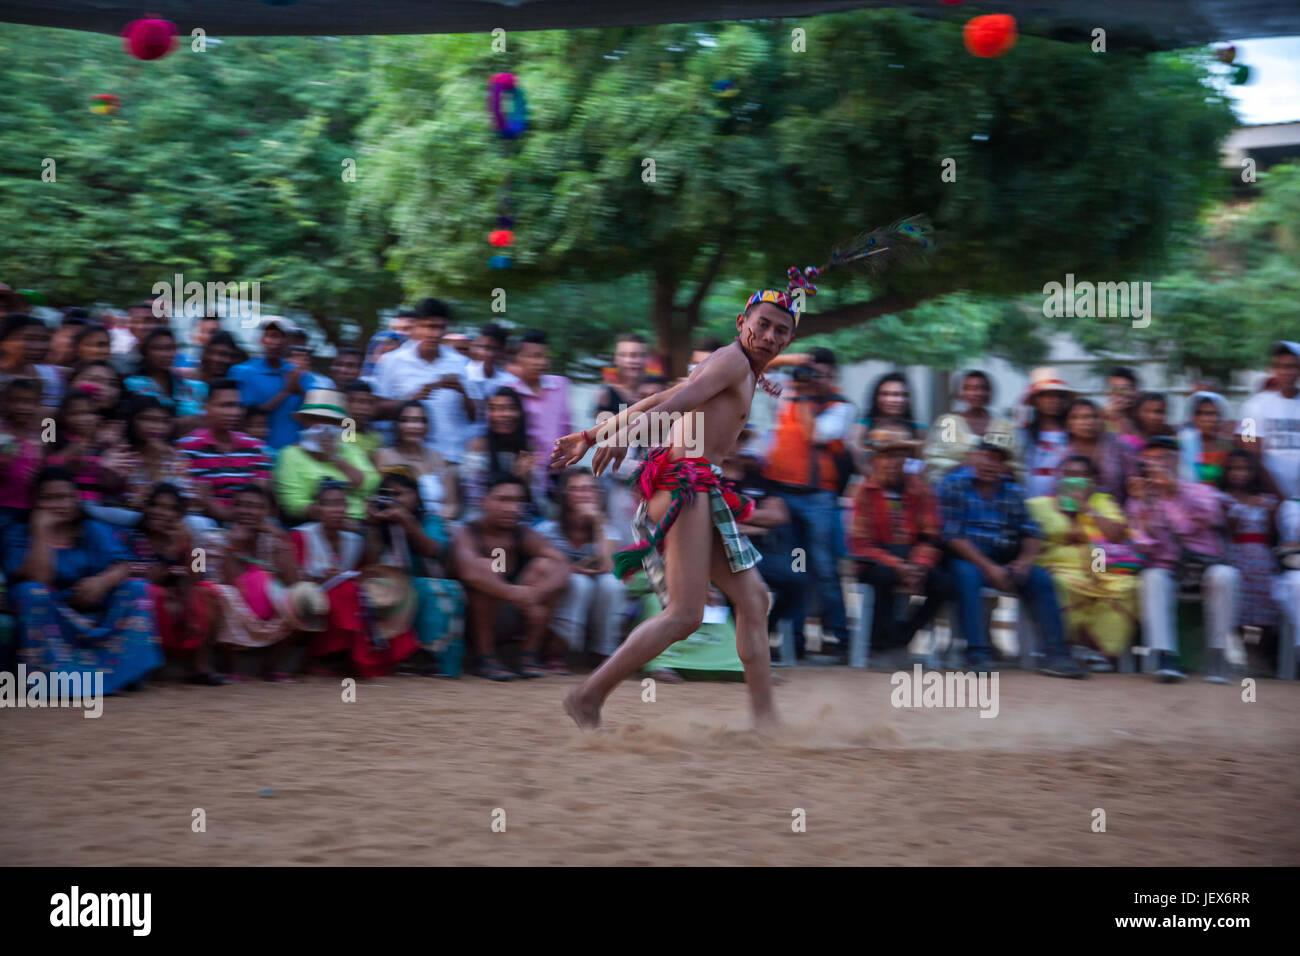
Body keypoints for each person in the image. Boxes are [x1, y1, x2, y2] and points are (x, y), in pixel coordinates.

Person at [551, 277, 810, 728]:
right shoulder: (732, 361)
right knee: (685, 615)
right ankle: (589, 695)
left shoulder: (741, 368)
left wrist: (597, 434)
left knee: (754, 601)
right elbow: (681, 401)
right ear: (741, 323)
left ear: (790, 339)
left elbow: (662, 397)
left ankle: (766, 721)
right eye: (762, 325)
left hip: (694, 486)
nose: (769, 336)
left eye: (780, 331)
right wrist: (618, 435)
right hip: (683, 487)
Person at [2, 466, 161, 695]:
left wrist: (102, 582)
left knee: (138, 588)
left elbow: (124, 564)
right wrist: (41, 530)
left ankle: (116, 676)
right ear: (35, 502)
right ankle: (54, 682)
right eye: (48, 498)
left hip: (93, 605)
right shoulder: (18, 533)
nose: (58, 505)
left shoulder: (91, 529)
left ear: (75, 500)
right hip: (50, 613)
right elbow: (39, 579)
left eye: (64, 497)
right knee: (31, 592)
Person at [937, 433, 1085, 677]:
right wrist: (990, 568)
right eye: (984, 456)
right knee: (966, 574)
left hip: (1010, 557)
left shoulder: (1014, 492)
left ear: (1005, 465)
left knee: (1040, 578)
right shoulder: (954, 485)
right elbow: (952, 536)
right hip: (969, 558)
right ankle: (977, 653)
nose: (989, 463)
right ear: (973, 457)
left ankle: (1057, 655)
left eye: (997, 459)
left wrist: (1024, 562)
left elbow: (1031, 531)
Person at [761, 345, 854, 661]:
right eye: (811, 370)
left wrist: (800, 395)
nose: (814, 378)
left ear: (833, 376)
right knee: (795, 568)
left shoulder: (840, 406)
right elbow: (755, 366)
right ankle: (795, 641)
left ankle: (839, 640)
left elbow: (815, 435)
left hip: (818, 500)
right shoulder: (788, 389)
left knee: (825, 570)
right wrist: (790, 361)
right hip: (783, 496)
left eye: (821, 373)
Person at [1125, 436, 1238, 683]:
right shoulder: (1139, 497)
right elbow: (1143, 544)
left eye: (1164, 458)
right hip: (1167, 567)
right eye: (1152, 459)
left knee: (1226, 576)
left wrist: (1175, 490)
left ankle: (1218, 656)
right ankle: (1165, 657)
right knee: (1153, 577)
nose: (1158, 464)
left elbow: (1211, 517)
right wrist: (1144, 504)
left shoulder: (1200, 489)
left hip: (1205, 565)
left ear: (1176, 460)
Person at [291, 479, 418, 678]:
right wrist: (320, 580)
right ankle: (332, 656)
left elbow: (368, 573)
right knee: (347, 592)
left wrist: (372, 526)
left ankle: (366, 656)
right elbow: (294, 580)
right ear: (317, 508)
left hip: (349, 599)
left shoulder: (354, 540)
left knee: (376, 590)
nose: (336, 510)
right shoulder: (301, 536)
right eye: (329, 504)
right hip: (312, 600)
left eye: (341, 503)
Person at [450, 474, 570, 680]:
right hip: (470, 621)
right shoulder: (467, 532)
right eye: (503, 500)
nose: (511, 508)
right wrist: (513, 593)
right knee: (486, 570)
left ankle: (528, 656)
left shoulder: (523, 534)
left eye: (517, 501)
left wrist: (535, 594)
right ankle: (485, 658)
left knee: (545, 567)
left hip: (515, 612)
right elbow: (469, 572)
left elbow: (563, 564)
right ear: (484, 502)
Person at [849, 427, 951, 669]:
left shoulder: (921, 489)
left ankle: (901, 636)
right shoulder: (864, 491)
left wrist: (917, 566)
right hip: (876, 560)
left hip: (913, 556)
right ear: (875, 460)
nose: (892, 462)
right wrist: (899, 566)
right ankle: (880, 645)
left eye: (898, 455)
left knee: (945, 584)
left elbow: (931, 535)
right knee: (883, 576)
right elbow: (860, 544)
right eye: (886, 455)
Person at [1026, 455, 1140, 662]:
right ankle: (1066, 646)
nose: (1074, 480)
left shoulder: (1102, 502)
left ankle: (1100, 651)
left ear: (1093, 481)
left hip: (1100, 564)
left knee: (1126, 586)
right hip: (1059, 565)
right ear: (1059, 478)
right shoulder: (1040, 505)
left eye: (1081, 475)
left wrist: (1087, 509)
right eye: (1069, 474)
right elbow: (1028, 538)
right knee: (1060, 584)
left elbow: (1116, 534)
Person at [365, 469, 466, 677]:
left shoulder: (431, 521)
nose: (392, 499)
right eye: (387, 494)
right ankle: (399, 659)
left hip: (424, 587)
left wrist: (406, 523)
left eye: (398, 494)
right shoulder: (375, 522)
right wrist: (374, 526)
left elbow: (432, 551)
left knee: (435, 589)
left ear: (417, 496)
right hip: (389, 591)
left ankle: (432, 658)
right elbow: (370, 567)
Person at [126, 483, 225, 684]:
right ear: (147, 508)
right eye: (157, 506)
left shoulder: (186, 536)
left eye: (170, 509)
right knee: (151, 594)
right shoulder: (135, 536)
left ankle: (201, 666)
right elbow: (146, 580)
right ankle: (145, 667)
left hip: (180, 594)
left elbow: (199, 575)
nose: (162, 513)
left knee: (211, 593)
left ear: (179, 514)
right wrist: (169, 553)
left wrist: (191, 544)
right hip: (151, 598)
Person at [202, 484, 302, 680]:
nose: (248, 511)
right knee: (220, 595)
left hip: (265, 605)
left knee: (300, 598)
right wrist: (233, 546)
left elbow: (294, 582)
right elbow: (225, 583)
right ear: (233, 508)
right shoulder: (214, 538)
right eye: (242, 505)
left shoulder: (273, 540)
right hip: (234, 603)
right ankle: (232, 666)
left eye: (255, 507)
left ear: (265, 512)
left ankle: (273, 666)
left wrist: (282, 541)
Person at [536, 469, 626, 665]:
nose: (584, 495)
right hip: (557, 593)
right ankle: (555, 649)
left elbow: (609, 566)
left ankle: (603, 652)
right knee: (579, 583)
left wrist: (598, 521)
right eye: (576, 489)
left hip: (595, 593)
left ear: (598, 494)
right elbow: (544, 568)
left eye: (589, 489)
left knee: (611, 583)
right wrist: (573, 570)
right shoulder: (547, 530)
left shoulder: (607, 530)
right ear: (565, 495)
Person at [374, 298, 474, 465]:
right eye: (429, 327)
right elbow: (377, 410)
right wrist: (412, 399)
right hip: (407, 460)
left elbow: (474, 416)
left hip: (451, 457)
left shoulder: (461, 363)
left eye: (440, 328)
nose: (435, 334)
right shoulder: (392, 361)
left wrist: (463, 392)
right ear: (416, 327)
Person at [176, 379, 274, 526]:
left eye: (237, 406)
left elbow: (259, 499)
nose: (234, 412)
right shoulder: (186, 448)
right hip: (207, 525)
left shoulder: (255, 447)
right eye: (226, 405)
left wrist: (210, 502)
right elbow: (193, 502)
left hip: (250, 523)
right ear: (206, 408)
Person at [275, 389, 381, 524]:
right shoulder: (289, 454)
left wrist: (335, 457)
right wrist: (336, 519)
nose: (320, 425)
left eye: (328, 420)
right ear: (305, 422)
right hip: (316, 526)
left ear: (338, 425)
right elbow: (294, 504)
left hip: (360, 521)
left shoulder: (350, 450)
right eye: (314, 419)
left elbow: (371, 484)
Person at [1218, 449, 1280, 636]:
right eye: (1235, 468)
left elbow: (1272, 534)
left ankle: (1260, 651)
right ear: (1227, 471)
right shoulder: (1222, 499)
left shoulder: (1266, 500)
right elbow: (1225, 531)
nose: (1240, 473)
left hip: (1262, 563)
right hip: (1236, 558)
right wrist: (1241, 510)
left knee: (1263, 613)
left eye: (1245, 469)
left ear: (1254, 472)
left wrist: (1267, 511)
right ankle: (1237, 649)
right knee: (1237, 607)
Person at [228, 316, 306, 450]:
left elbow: (309, 414)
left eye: (281, 336)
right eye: (270, 336)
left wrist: (301, 390)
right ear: (261, 339)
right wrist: (286, 391)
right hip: (253, 456)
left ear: (289, 342)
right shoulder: (241, 372)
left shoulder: (298, 374)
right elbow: (243, 416)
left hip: (292, 458)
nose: (275, 342)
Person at [924, 369, 1016, 482]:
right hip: (955, 491)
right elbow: (938, 462)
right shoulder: (949, 424)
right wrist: (968, 463)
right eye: (971, 389)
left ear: (990, 393)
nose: (978, 393)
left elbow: (1014, 464)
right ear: (961, 392)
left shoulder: (1003, 426)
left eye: (983, 388)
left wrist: (993, 467)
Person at [373, 400, 459, 519]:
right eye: (406, 420)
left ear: (427, 426)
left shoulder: (439, 458)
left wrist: (434, 523)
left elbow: (451, 505)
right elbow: (381, 498)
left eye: (420, 421)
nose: (414, 427)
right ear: (397, 425)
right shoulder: (383, 456)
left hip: (436, 526)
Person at [511, 329, 571, 499]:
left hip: (558, 473)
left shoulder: (561, 385)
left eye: (543, 356)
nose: (540, 362)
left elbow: (567, 427)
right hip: (526, 475)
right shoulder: (511, 391)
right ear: (519, 358)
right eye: (533, 356)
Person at [460, 387, 536, 519]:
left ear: (520, 413)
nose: (504, 414)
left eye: (511, 408)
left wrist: (525, 481)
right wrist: (513, 478)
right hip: (480, 519)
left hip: (518, 520)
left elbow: (535, 504)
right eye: (496, 409)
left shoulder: (528, 449)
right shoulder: (477, 446)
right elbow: (473, 498)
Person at [1239, 341, 1300, 499]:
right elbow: (1249, 451)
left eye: (1292, 366)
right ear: (1273, 369)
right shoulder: (1252, 406)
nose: (1287, 372)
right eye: (1281, 366)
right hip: (1268, 496)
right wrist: (1278, 496)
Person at [123, 327, 208, 437]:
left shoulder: (193, 387)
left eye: (170, 348)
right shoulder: (133, 385)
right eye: (158, 349)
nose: (166, 354)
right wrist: (192, 421)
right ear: (145, 352)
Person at [1061, 397, 1135, 501]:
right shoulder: (1064, 453)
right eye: (1078, 418)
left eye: (1094, 416)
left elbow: (1135, 483)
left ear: (1102, 420)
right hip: (1077, 513)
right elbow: (1060, 490)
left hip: (1118, 513)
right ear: (1068, 425)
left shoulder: (1119, 445)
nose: (1088, 422)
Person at [850, 371, 927, 470]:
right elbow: (854, 450)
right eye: (886, 394)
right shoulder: (862, 427)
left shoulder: (919, 430)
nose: (895, 400)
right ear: (876, 398)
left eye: (902, 395)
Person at [1018, 367, 1075, 499]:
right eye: (1047, 395)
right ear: (1035, 401)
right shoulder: (1024, 434)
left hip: (1064, 497)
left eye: (1060, 396)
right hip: (1030, 496)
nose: (1055, 401)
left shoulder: (1072, 433)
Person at [0, 377, 44, 540]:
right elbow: (4, 463)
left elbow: (51, 458)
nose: (24, 407)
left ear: (39, 404)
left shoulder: (46, 426)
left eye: (31, 402)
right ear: (5, 402)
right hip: (3, 505)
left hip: (33, 508)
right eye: (17, 401)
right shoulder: (2, 428)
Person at [465, 322, 519, 436]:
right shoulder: (464, 375)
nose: (487, 354)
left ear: (501, 352)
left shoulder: (509, 381)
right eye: (483, 347)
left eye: (494, 349)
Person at [0, 314, 60, 411]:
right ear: (3, 343)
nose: (39, 346)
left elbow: (49, 420)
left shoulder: (50, 376)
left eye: (44, 340)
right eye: (28, 339)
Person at [1179, 391, 1236, 485]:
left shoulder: (1227, 445)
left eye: (1214, 414)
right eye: (1204, 414)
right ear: (1194, 417)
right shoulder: (1183, 443)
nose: (1210, 419)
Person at [594, 332, 649, 420]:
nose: (637, 361)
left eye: (642, 355)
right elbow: (602, 431)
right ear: (616, 359)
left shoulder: (656, 391)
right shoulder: (606, 395)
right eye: (632, 355)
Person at [1103, 366, 1143, 450]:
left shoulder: (1142, 418)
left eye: (1127, 388)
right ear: (1107, 392)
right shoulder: (1100, 420)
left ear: (1136, 392)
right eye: (1115, 389)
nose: (1121, 393)